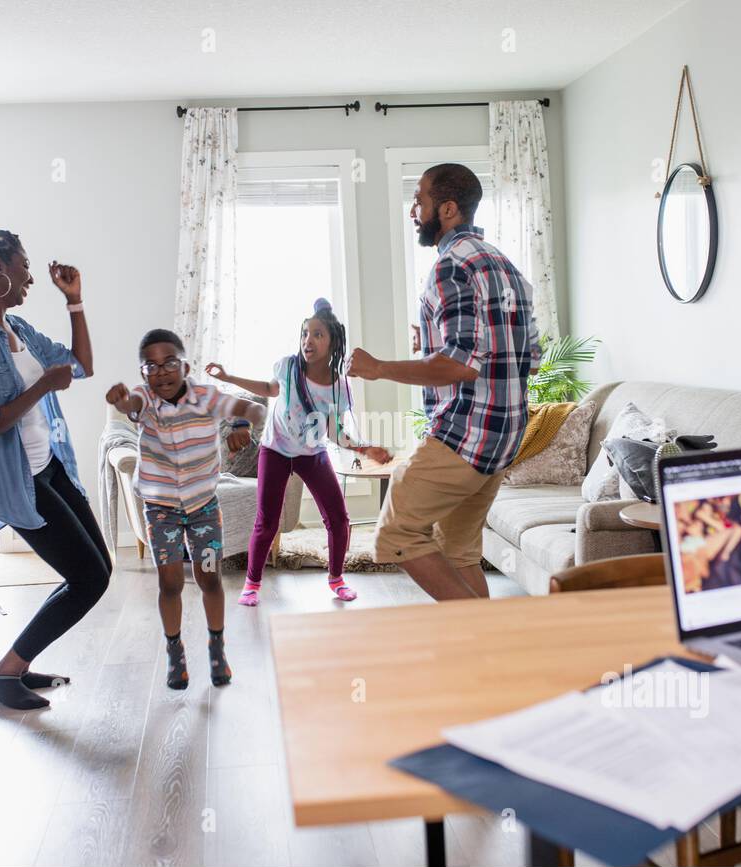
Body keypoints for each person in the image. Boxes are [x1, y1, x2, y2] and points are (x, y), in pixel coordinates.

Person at [347, 163, 540, 600]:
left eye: (420, 200)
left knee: (395, 532)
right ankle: (486, 659)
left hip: (465, 435)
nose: (414, 210)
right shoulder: (506, 267)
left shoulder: (450, 267)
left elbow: (459, 365)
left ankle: (492, 644)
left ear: (448, 209)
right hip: (504, 437)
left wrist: (378, 367)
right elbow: (527, 354)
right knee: (459, 553)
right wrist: (433, 339)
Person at [0, 228, 110, 710]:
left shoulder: (16, 329)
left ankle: (15, 666)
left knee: (95, 570)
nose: (31, 277)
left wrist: (74, 301)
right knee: (88, 578)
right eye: (23, 266)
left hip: (50, 468)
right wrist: (42, 389)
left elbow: (80, 365)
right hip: (16, 480)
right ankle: (5, 672)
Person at [105, 330, 266, 690]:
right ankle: (175, 650)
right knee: (171, 582)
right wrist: (121, 401)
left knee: (209, 577)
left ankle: (216, 646)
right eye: (151, 366)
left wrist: (242, 423)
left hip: (203, 509)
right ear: (142, 372)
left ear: (185, 365)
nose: (161, 372)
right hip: (162, 511)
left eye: (169, 363)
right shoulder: (143, 399)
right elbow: (130, 406)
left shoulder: (205, 397)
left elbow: (253, 408)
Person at [206, 298, 393, 607]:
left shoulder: (338, 388)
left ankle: (336, 578)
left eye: (318, 334)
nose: (309, 340)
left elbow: (334, 432)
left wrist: (365, 447)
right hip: (275, 450)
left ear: (333, 342)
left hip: (312, 455)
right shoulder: (288, 366)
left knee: (339, 518)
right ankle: (252, 584)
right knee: (267, 521)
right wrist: (228, 378)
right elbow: (268, 389)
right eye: (306, 333)